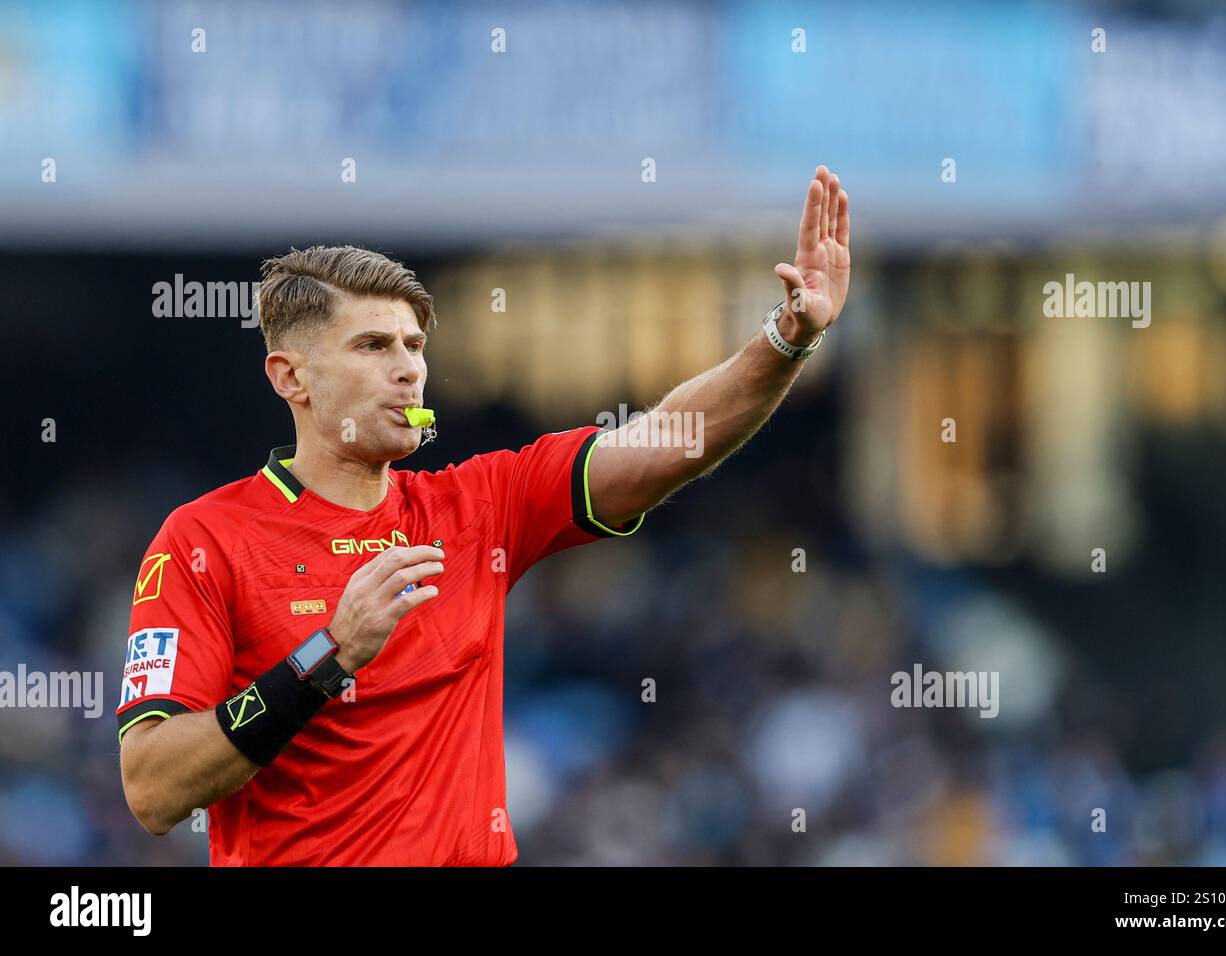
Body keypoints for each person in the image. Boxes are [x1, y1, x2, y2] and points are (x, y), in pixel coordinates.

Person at [116, 165, 851, 865]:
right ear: (291, 376)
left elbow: (666, 445)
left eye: (414, 345)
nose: (407, 368)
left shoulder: (479, 506)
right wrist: (325, 657)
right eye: (373, 345)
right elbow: (152, 788)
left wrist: (786, 339)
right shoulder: (205, 539)